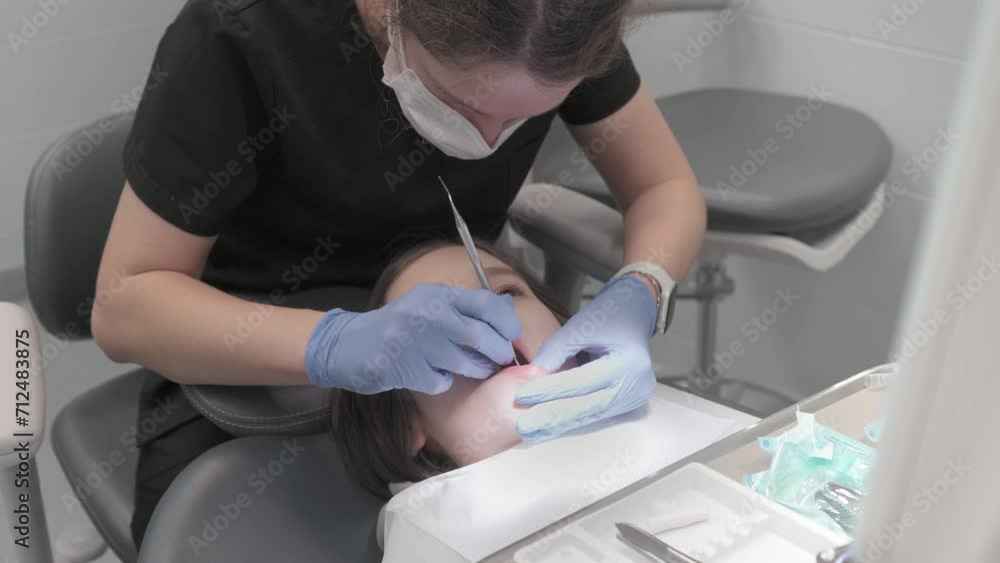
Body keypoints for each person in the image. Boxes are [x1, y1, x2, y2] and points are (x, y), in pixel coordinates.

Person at [91, 0, 705, 548]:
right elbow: (123, 308)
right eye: (466, 106)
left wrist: (643, 287)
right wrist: (333, 343)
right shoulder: (240, 32)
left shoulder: (558, 20)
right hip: (242, 356)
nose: (491, 142)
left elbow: (663, 185)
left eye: (525, 119)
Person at [332, 239, 572, 497]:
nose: (487, 317)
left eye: (507, 292)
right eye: (438, 318)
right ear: (409, 428)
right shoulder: (435, 518)